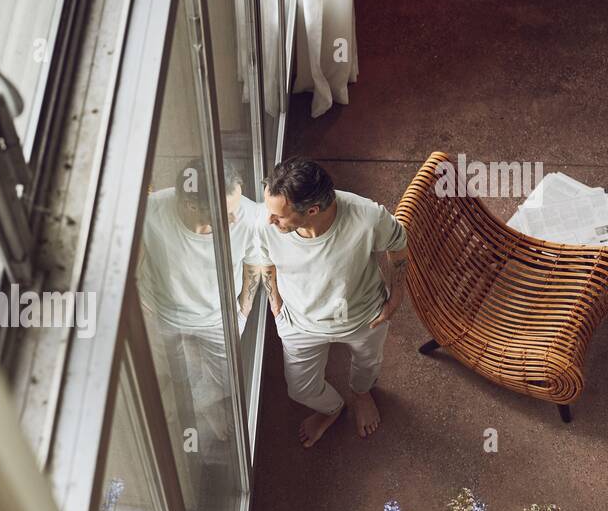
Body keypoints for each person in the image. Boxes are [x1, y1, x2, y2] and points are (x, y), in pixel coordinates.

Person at [254, 158, 410, 448]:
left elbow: (398, 245)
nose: (269, 220)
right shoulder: (266, 227)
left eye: (278, 216)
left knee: (367, 366)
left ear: (312, 211)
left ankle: (361, 395)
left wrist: (397, 295)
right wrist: (274, 301)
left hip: (364, 317)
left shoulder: (368, 216)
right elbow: (266, 263)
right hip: (299, 322)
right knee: (300, 389)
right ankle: (331, 408)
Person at [138, 158, 264, 450]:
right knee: (169, 363)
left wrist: (242, 310)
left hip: (218, 317)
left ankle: (205, 403)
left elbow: (254, 264)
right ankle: (180, 392)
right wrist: (140, 295)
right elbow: (130, 254)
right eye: (227, 214)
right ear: (191, 206)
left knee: (223, 371)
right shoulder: (150, 213)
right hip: (162, 312)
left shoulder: (248, 215)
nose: (236, 218)